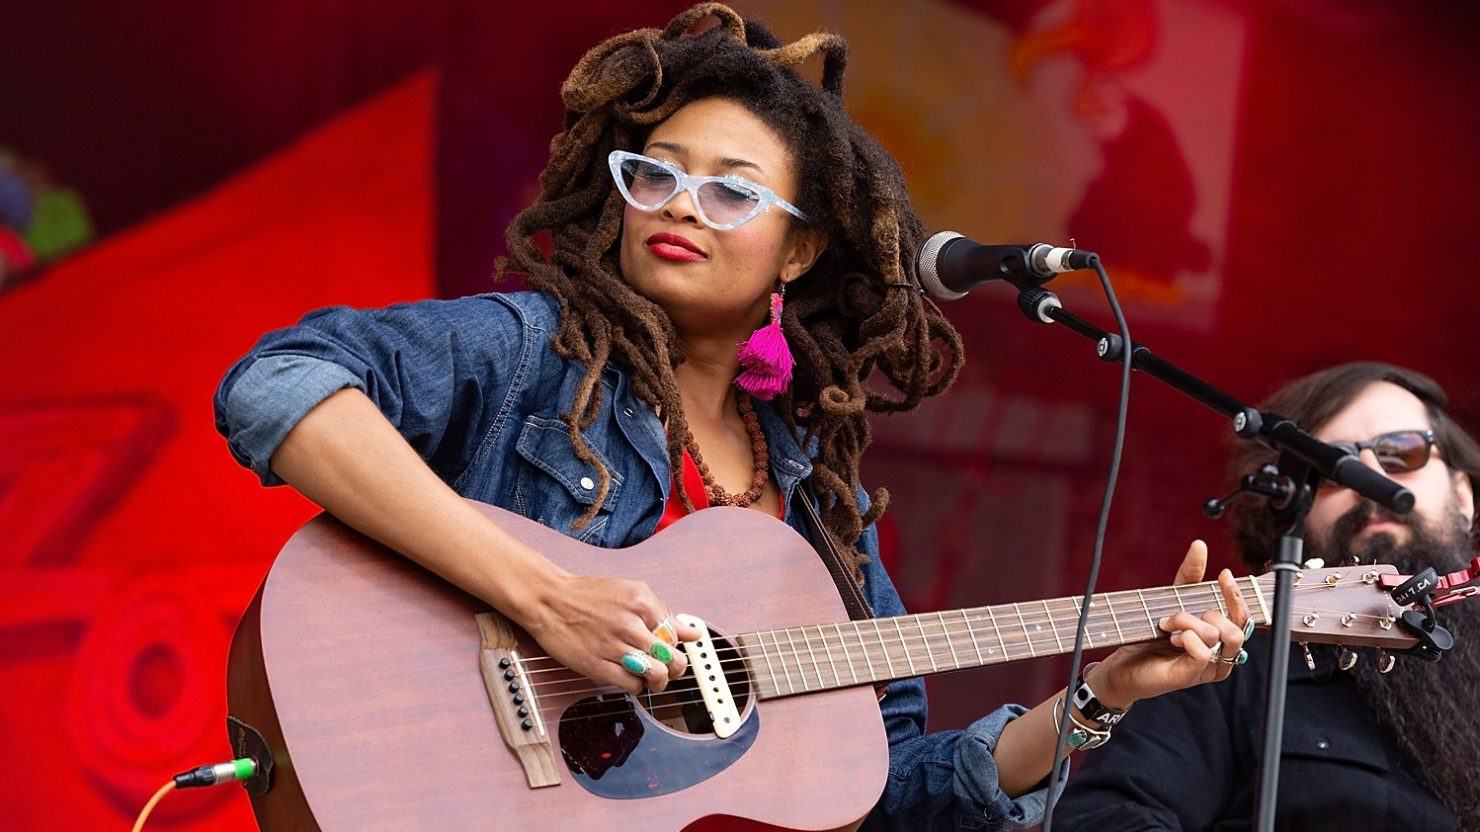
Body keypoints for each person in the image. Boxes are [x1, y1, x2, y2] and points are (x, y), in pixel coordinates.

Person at [213, 5, 1250, 829]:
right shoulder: (532, 349)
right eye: (655, 174)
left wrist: (1099, 697)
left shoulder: (820, 512)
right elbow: (277, 384)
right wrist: (545, 597)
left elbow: (887, 794)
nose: (677, 204)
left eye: (730, 193)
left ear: (798, 254)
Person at [1056, 362, 1480, 831]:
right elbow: (1103, 818)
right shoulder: (1220, 659)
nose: (1371, 479)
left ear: (1464, 497)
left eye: (1403, 452)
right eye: (1334, 468)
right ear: (1291, 506)